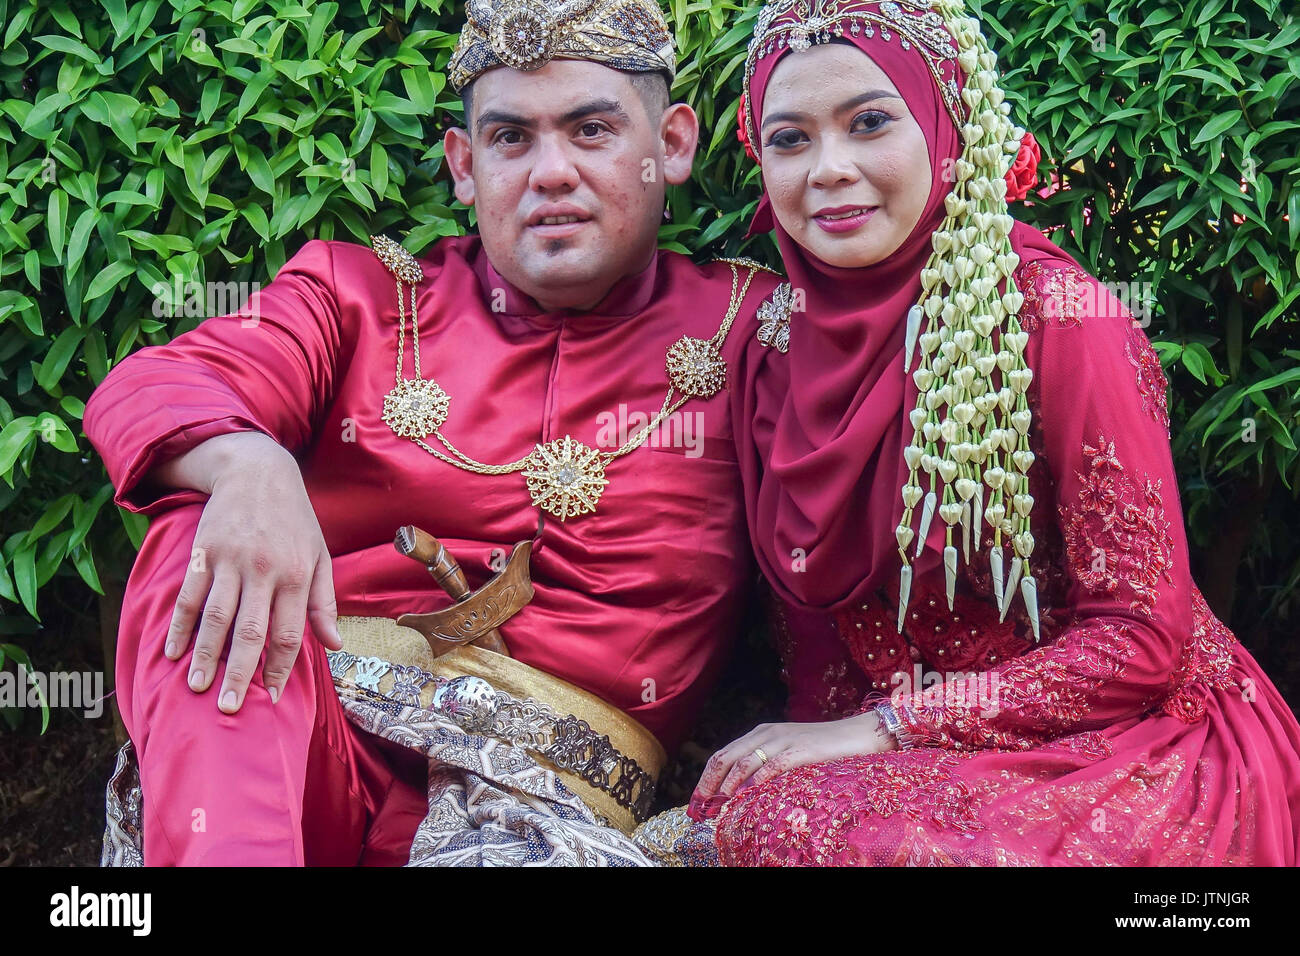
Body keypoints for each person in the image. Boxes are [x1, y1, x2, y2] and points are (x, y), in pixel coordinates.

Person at [88, 0, 779, 866]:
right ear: (464, 163)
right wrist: (247, 463)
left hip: (548, 819)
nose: (550, 172)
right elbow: (156, 385)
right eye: (510, 139)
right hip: (302, 771)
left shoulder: (757, 331)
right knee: (202, 521)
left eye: (591, 130)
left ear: (671, 145)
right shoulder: (362, 294)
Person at [633, 0, 1300, 866]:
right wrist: (812, 757)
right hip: (902, 768)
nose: (829, 169)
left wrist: (888, 728)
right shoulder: (774, 347)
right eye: (790, 139)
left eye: (870, 123)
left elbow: (1138, 642)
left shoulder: (1059, 318)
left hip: (1131, 748)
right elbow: (818, 650)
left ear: (951, 128)